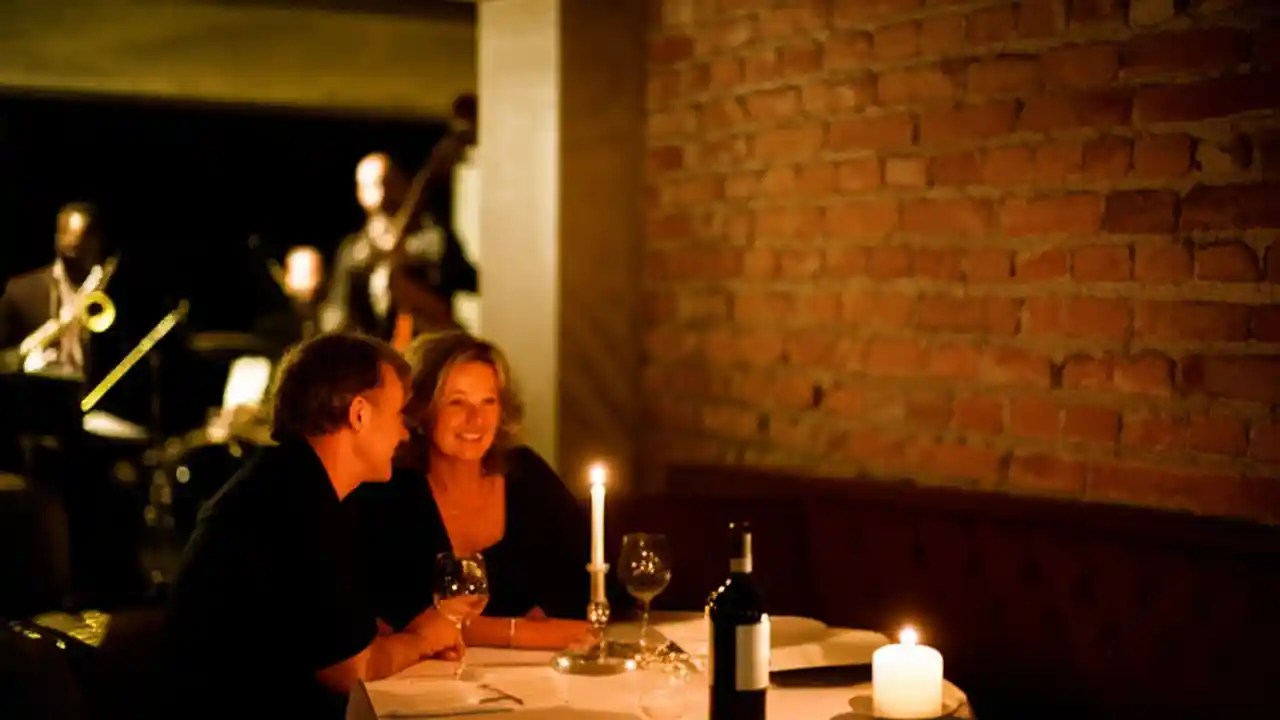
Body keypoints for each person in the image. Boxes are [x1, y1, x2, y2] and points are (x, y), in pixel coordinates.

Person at [161, 333, 460, 720]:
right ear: (359, 414)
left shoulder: (287, 481)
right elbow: (352, 669)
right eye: (398, 414)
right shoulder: (298, 502)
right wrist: (423, 639)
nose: (404, 433)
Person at [350, 331, 595, 651]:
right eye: (457, 402)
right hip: (419, 685)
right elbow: (400, 620)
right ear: (422, 410)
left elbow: (585, 589)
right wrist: (522, 632)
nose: (475, 419)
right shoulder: (389, 490)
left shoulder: (527, 475)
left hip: (532, 680)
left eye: (488, 401)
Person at [317, 151, 475, 342]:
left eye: (387, 182)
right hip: (377, 350)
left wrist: (425, 261)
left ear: (401, 184)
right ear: (360, 193)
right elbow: (339, 309)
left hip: (429, 345)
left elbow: (469, 280)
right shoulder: (353, 251)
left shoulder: (434, 237)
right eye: (372, 185)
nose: (382, 191)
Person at [0, 202, 109, 375]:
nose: (74, 245)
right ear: (57, 239)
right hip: (37, 392)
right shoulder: (19, 292)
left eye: (83, 243)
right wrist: (25, 354)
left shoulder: (107, 290)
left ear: (96, 242)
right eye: (71, 245)